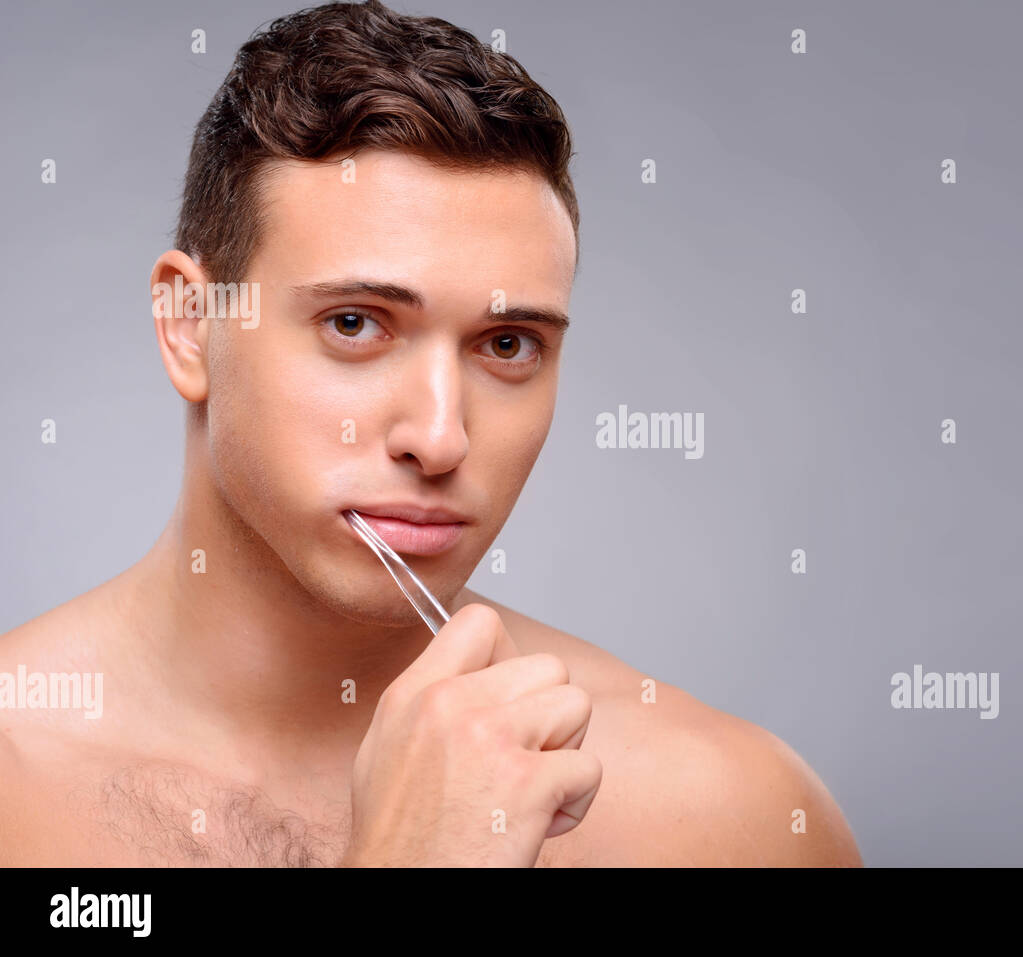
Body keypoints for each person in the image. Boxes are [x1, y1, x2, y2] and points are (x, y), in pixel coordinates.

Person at [0, 0, 862, 867]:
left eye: (508, 344)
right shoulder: (18, 775)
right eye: (354, 324)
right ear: (191, 325)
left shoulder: (726, 814)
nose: (442, 438)